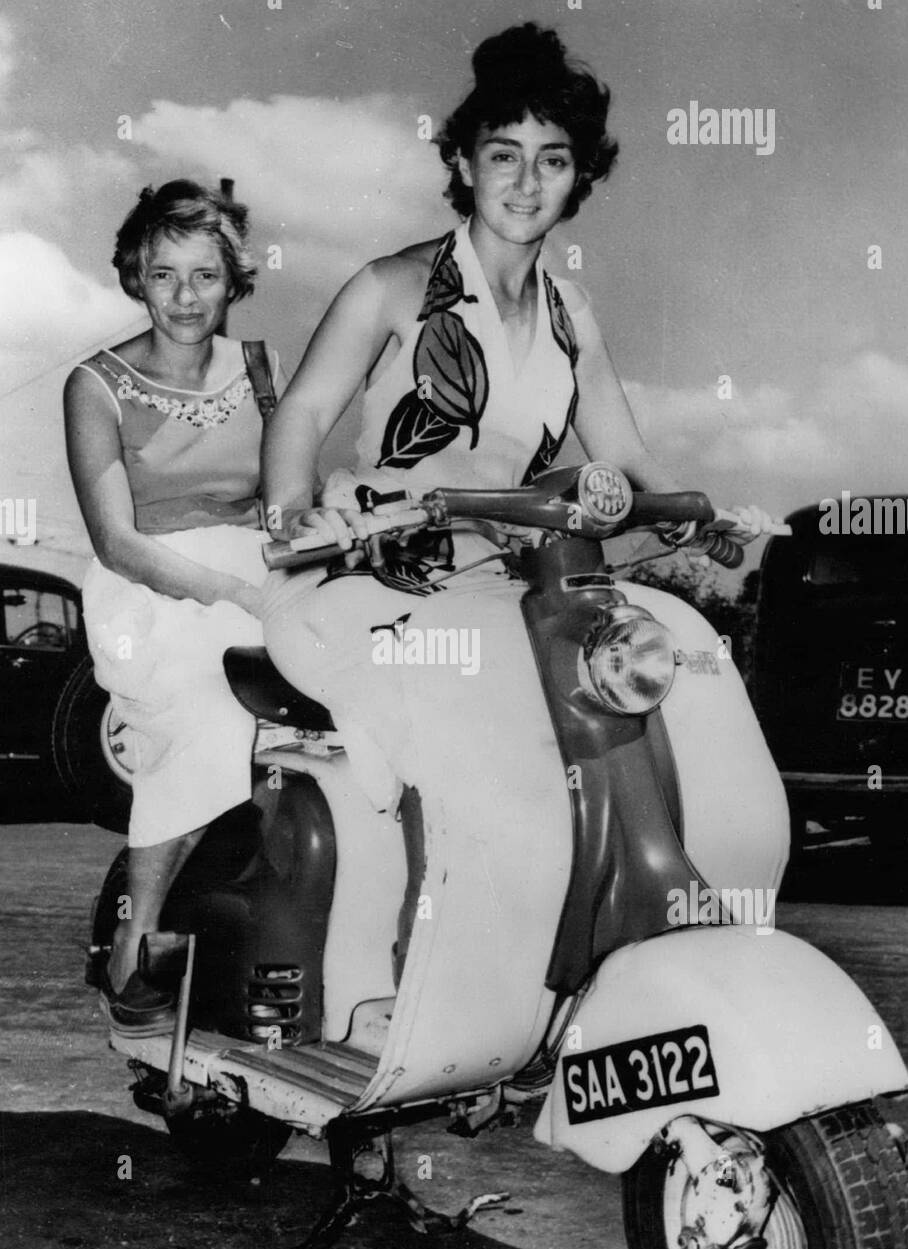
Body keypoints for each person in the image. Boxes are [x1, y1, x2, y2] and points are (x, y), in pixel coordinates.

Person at [259, 24, 776, 974]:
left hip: (510, 589)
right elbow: (301, 418)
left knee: (649, 686)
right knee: (464, 757)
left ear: (580, 177)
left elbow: (623, 456)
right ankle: (411, 967)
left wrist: (708, 521)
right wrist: (302, 516)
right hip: (369, 579)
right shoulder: (392, 286)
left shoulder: (571, 316)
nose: (526, 182)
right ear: (463, 162)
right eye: (503, 156)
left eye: (553, 160)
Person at [64, 180, 282, 1030]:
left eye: (204, 276)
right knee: (208, 698)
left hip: (253, 573)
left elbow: (284, 497)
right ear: (135, 278)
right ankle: (136, 939)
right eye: (164, 276)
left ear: (233, 281)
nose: (185, 298)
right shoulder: (97, 384)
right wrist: (233, 591)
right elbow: (117, 540)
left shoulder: (260, 369)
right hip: (145, 588)